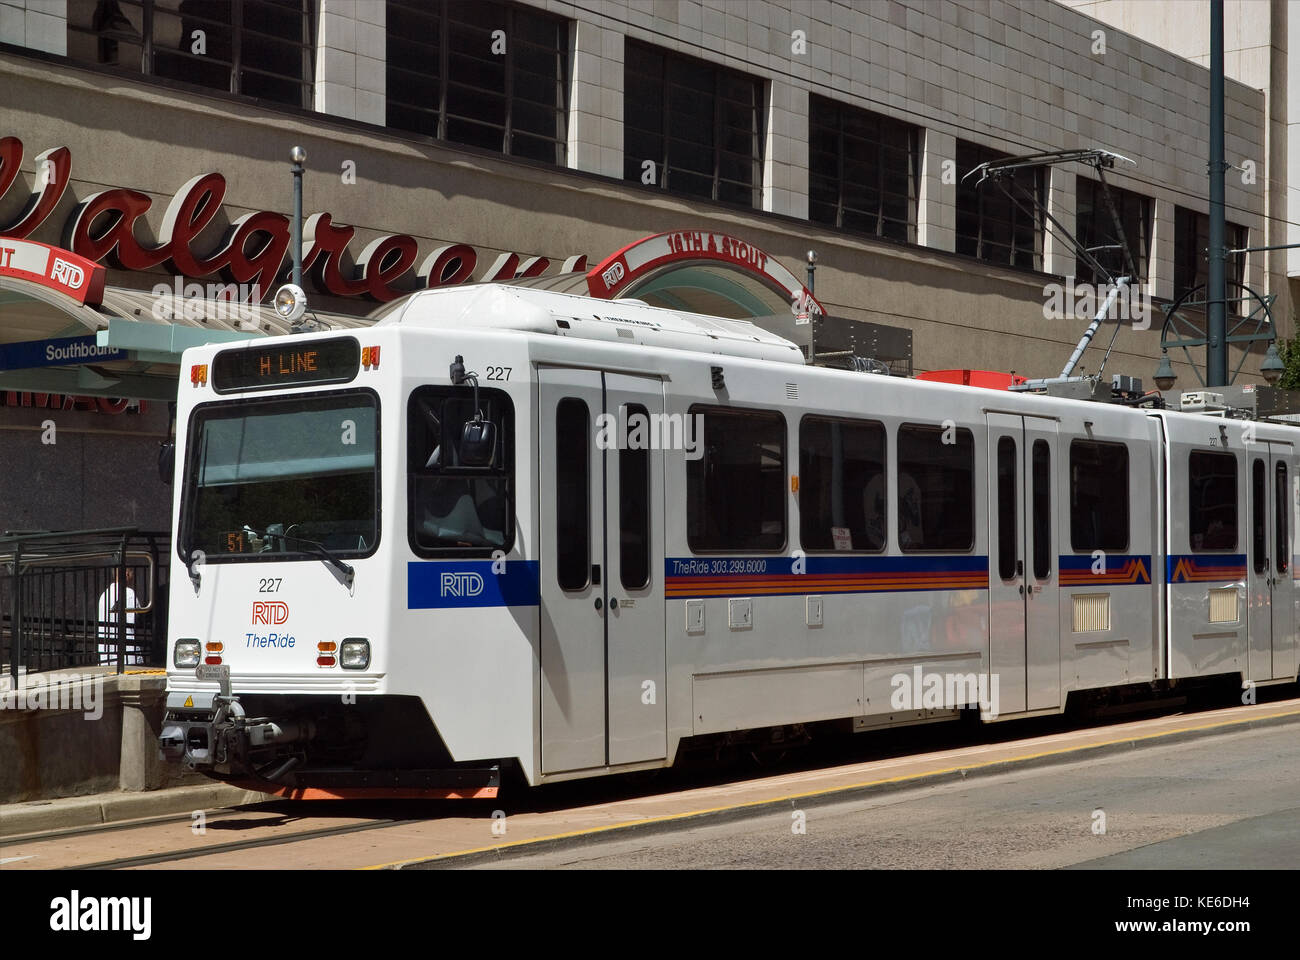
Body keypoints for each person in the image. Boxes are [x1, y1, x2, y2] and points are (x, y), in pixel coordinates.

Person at [97, 568, 143, 666]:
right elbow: (133, 619)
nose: (133, 578)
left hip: (106, 651)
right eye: (132, 574)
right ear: (126, 574)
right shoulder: (129, 593)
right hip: (126, 650)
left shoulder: (104, 594)